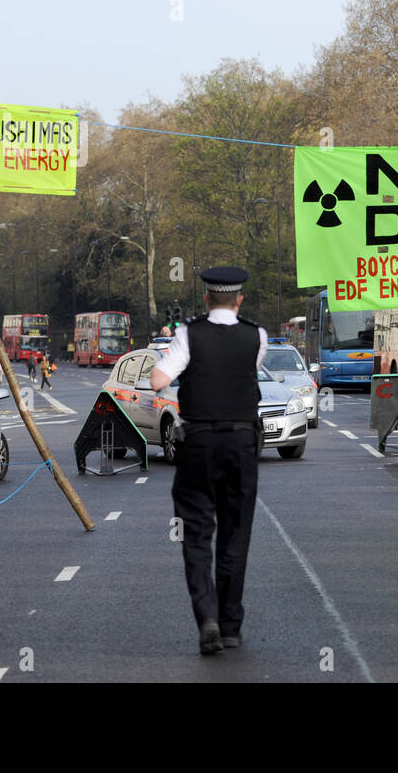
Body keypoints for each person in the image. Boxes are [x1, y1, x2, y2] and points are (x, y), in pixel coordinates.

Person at [151, 267, 268, 655]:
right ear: (239, 299)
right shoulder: (256, 336)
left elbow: (157, 380)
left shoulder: (188, 333)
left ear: (205, 299)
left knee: (196, 534)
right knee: (237, 532)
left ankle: (208, 618)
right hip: (241, 442)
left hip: (198, 443)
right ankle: (231, 624)